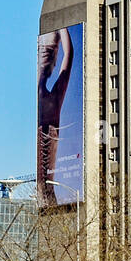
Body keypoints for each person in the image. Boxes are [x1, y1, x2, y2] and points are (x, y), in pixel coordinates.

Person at [36, 27, 74, 206]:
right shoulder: (48, 100)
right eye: (41, 50)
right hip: (42, 196)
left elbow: (69, 55)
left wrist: (62, 23)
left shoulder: (53, 100)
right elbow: (68, 55)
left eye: (48, 51)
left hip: (46, 198)